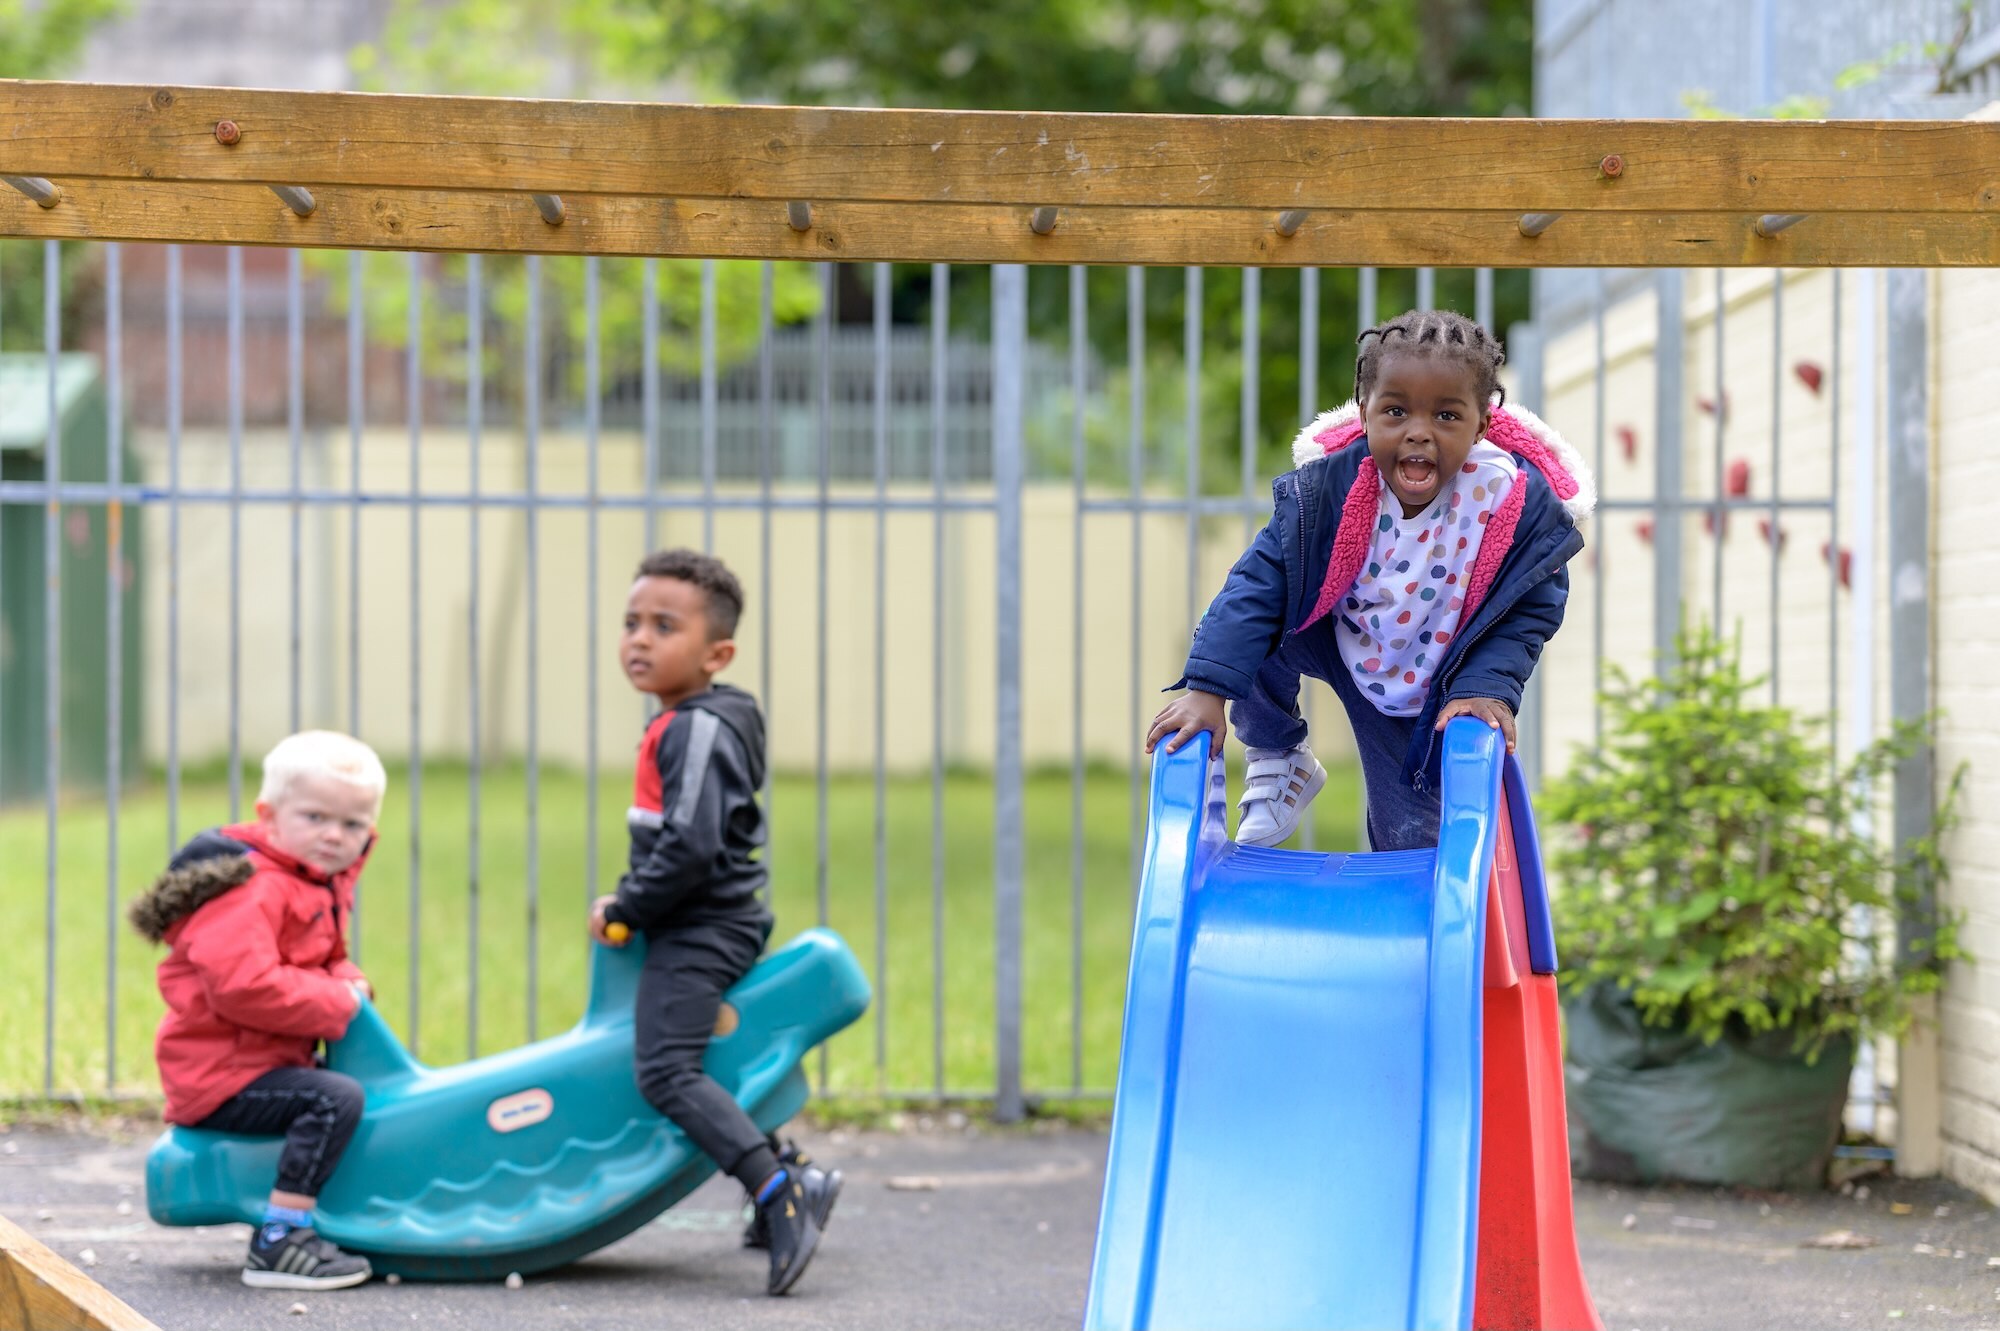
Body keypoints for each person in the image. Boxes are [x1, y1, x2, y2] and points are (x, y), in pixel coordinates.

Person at [1146, 309, 1595, 850]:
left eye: (1447, 416)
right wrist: (1206, 688)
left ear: (1482, 424)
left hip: (1428, 686)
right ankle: (1280, 756)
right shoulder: (1334, 486)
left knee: (1410, 842)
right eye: (1396, 411)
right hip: (1339, 638)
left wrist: (1484, 688)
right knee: (1256, 630)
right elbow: (1259, 582)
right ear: (1364, 413)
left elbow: (1529, 607)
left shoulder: (1508, 502)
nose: (1419, 433)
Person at [589, 547, 840, 1296]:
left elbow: (691, 844)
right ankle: (796, 1175)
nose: (639, 638)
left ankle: (776, 1188)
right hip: (709, 917)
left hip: (702, 925)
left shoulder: (692, 728)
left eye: (664, 625)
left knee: (665, 1069)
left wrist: (627, 906)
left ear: (716, 652)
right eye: (632, 622)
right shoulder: (699, 719)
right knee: (698, 1056)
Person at [130, 731, 386, 1291]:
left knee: (354, 1091)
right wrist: (335, 1002)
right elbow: (243, 987)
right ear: (269, 816)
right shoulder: (254, 889)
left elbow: (325, 958)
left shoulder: (309, 880)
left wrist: (348, 978)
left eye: (352, 824)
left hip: (255, 1061)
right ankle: (280, 1240)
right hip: (221, 1075)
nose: (334, 836)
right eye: (315, 816)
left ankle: (333, 1214)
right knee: (332, 1099)